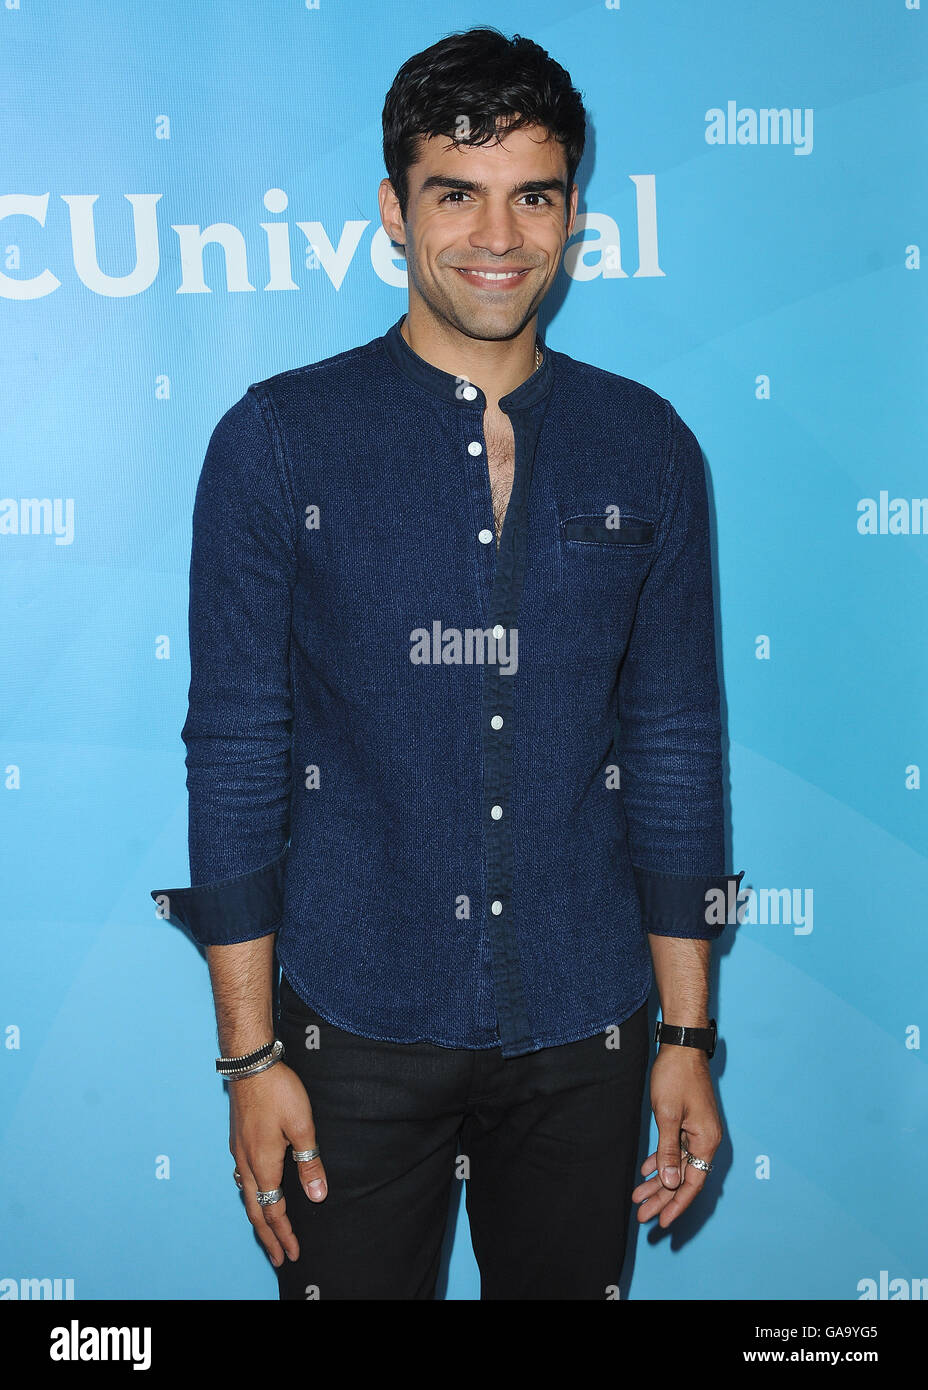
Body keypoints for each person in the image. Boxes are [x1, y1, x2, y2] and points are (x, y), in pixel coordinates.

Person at [151, 25, 744, 1301]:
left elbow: (677, 742)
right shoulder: (278, 442)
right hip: (347, 1020)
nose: (497, 235)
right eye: (455, 193)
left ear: (573, 215)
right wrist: (249, 1061)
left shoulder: (647, 447)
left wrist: (685, 1032)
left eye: (532, 195)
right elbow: (238, 751)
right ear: (392, 208)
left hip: (589, 1020)